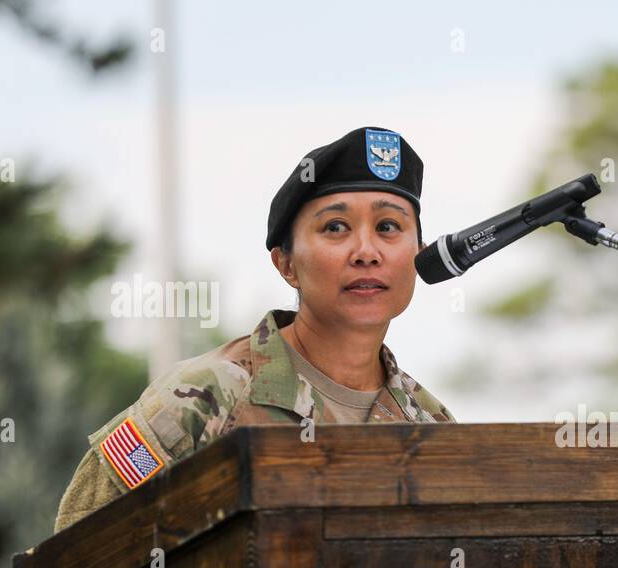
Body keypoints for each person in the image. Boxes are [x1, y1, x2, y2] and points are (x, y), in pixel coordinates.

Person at [53, 126, 455, 534]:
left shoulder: (431, 425)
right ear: (286, 264)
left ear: (419, 256)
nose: (366, 253)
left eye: (388, 227)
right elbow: (78, 552)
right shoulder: (202, 400)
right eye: (335, 227)